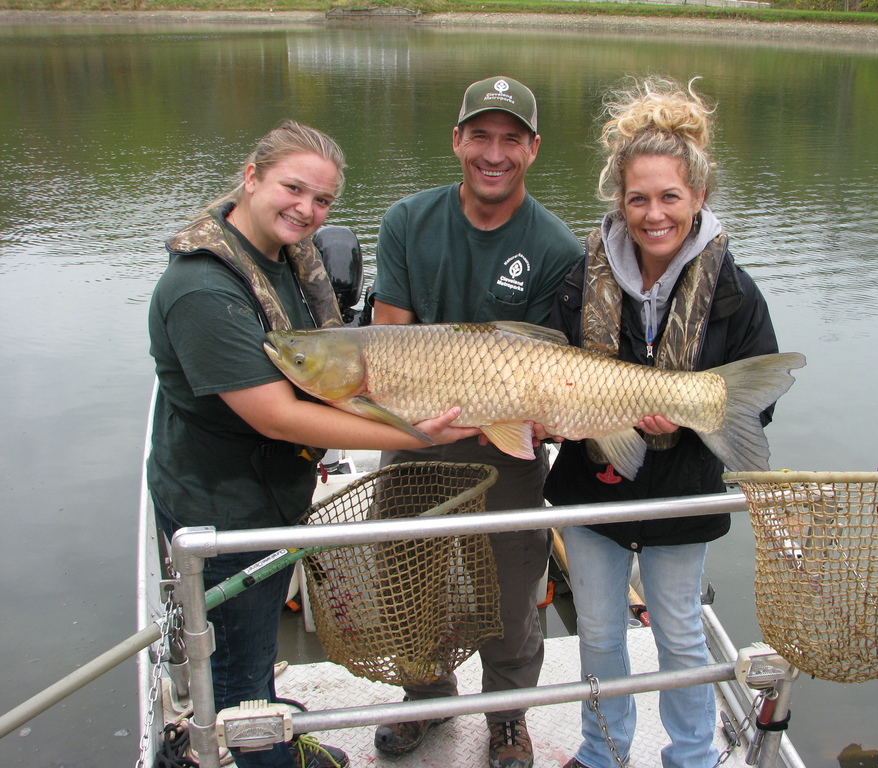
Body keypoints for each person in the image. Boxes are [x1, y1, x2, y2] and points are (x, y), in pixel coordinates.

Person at [147, 119, 479, 768]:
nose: (306, 208)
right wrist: (408, 431)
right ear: (251, 177)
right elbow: (276, 415)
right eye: (292, 188)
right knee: (240, 673)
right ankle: (267, 756)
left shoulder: (280, 258)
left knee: (254, 644)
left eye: (322, 200)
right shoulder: (201, 288)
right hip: (222, 511)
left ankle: (273, 737)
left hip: (272, 497)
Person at [543, 76, 782, 768]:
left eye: (670, 197)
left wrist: (683, 413)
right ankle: (602, 750)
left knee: (680, 632)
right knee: (598, 633)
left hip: (685, 486)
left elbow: (757, 398)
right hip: (593, 486)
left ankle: (691, 756)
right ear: (620, 200)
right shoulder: (576, 278)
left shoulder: (734, 290)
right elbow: (550, 372)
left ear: (699, 197)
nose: (654, 214)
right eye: (639, 198)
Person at [368, 76, 583, 768]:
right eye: (482, 136)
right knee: (405, 570)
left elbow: (554, 361)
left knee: (514, 587)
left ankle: (508, 718)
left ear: (534, 149)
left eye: (511, 139)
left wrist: (547, 414)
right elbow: (387, 340)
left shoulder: (555, 247)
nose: (495, 153)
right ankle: (425, 695)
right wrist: (416, 418)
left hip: (508, 446)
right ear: (457, 140)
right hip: (417, 436)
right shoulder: (407, 221)